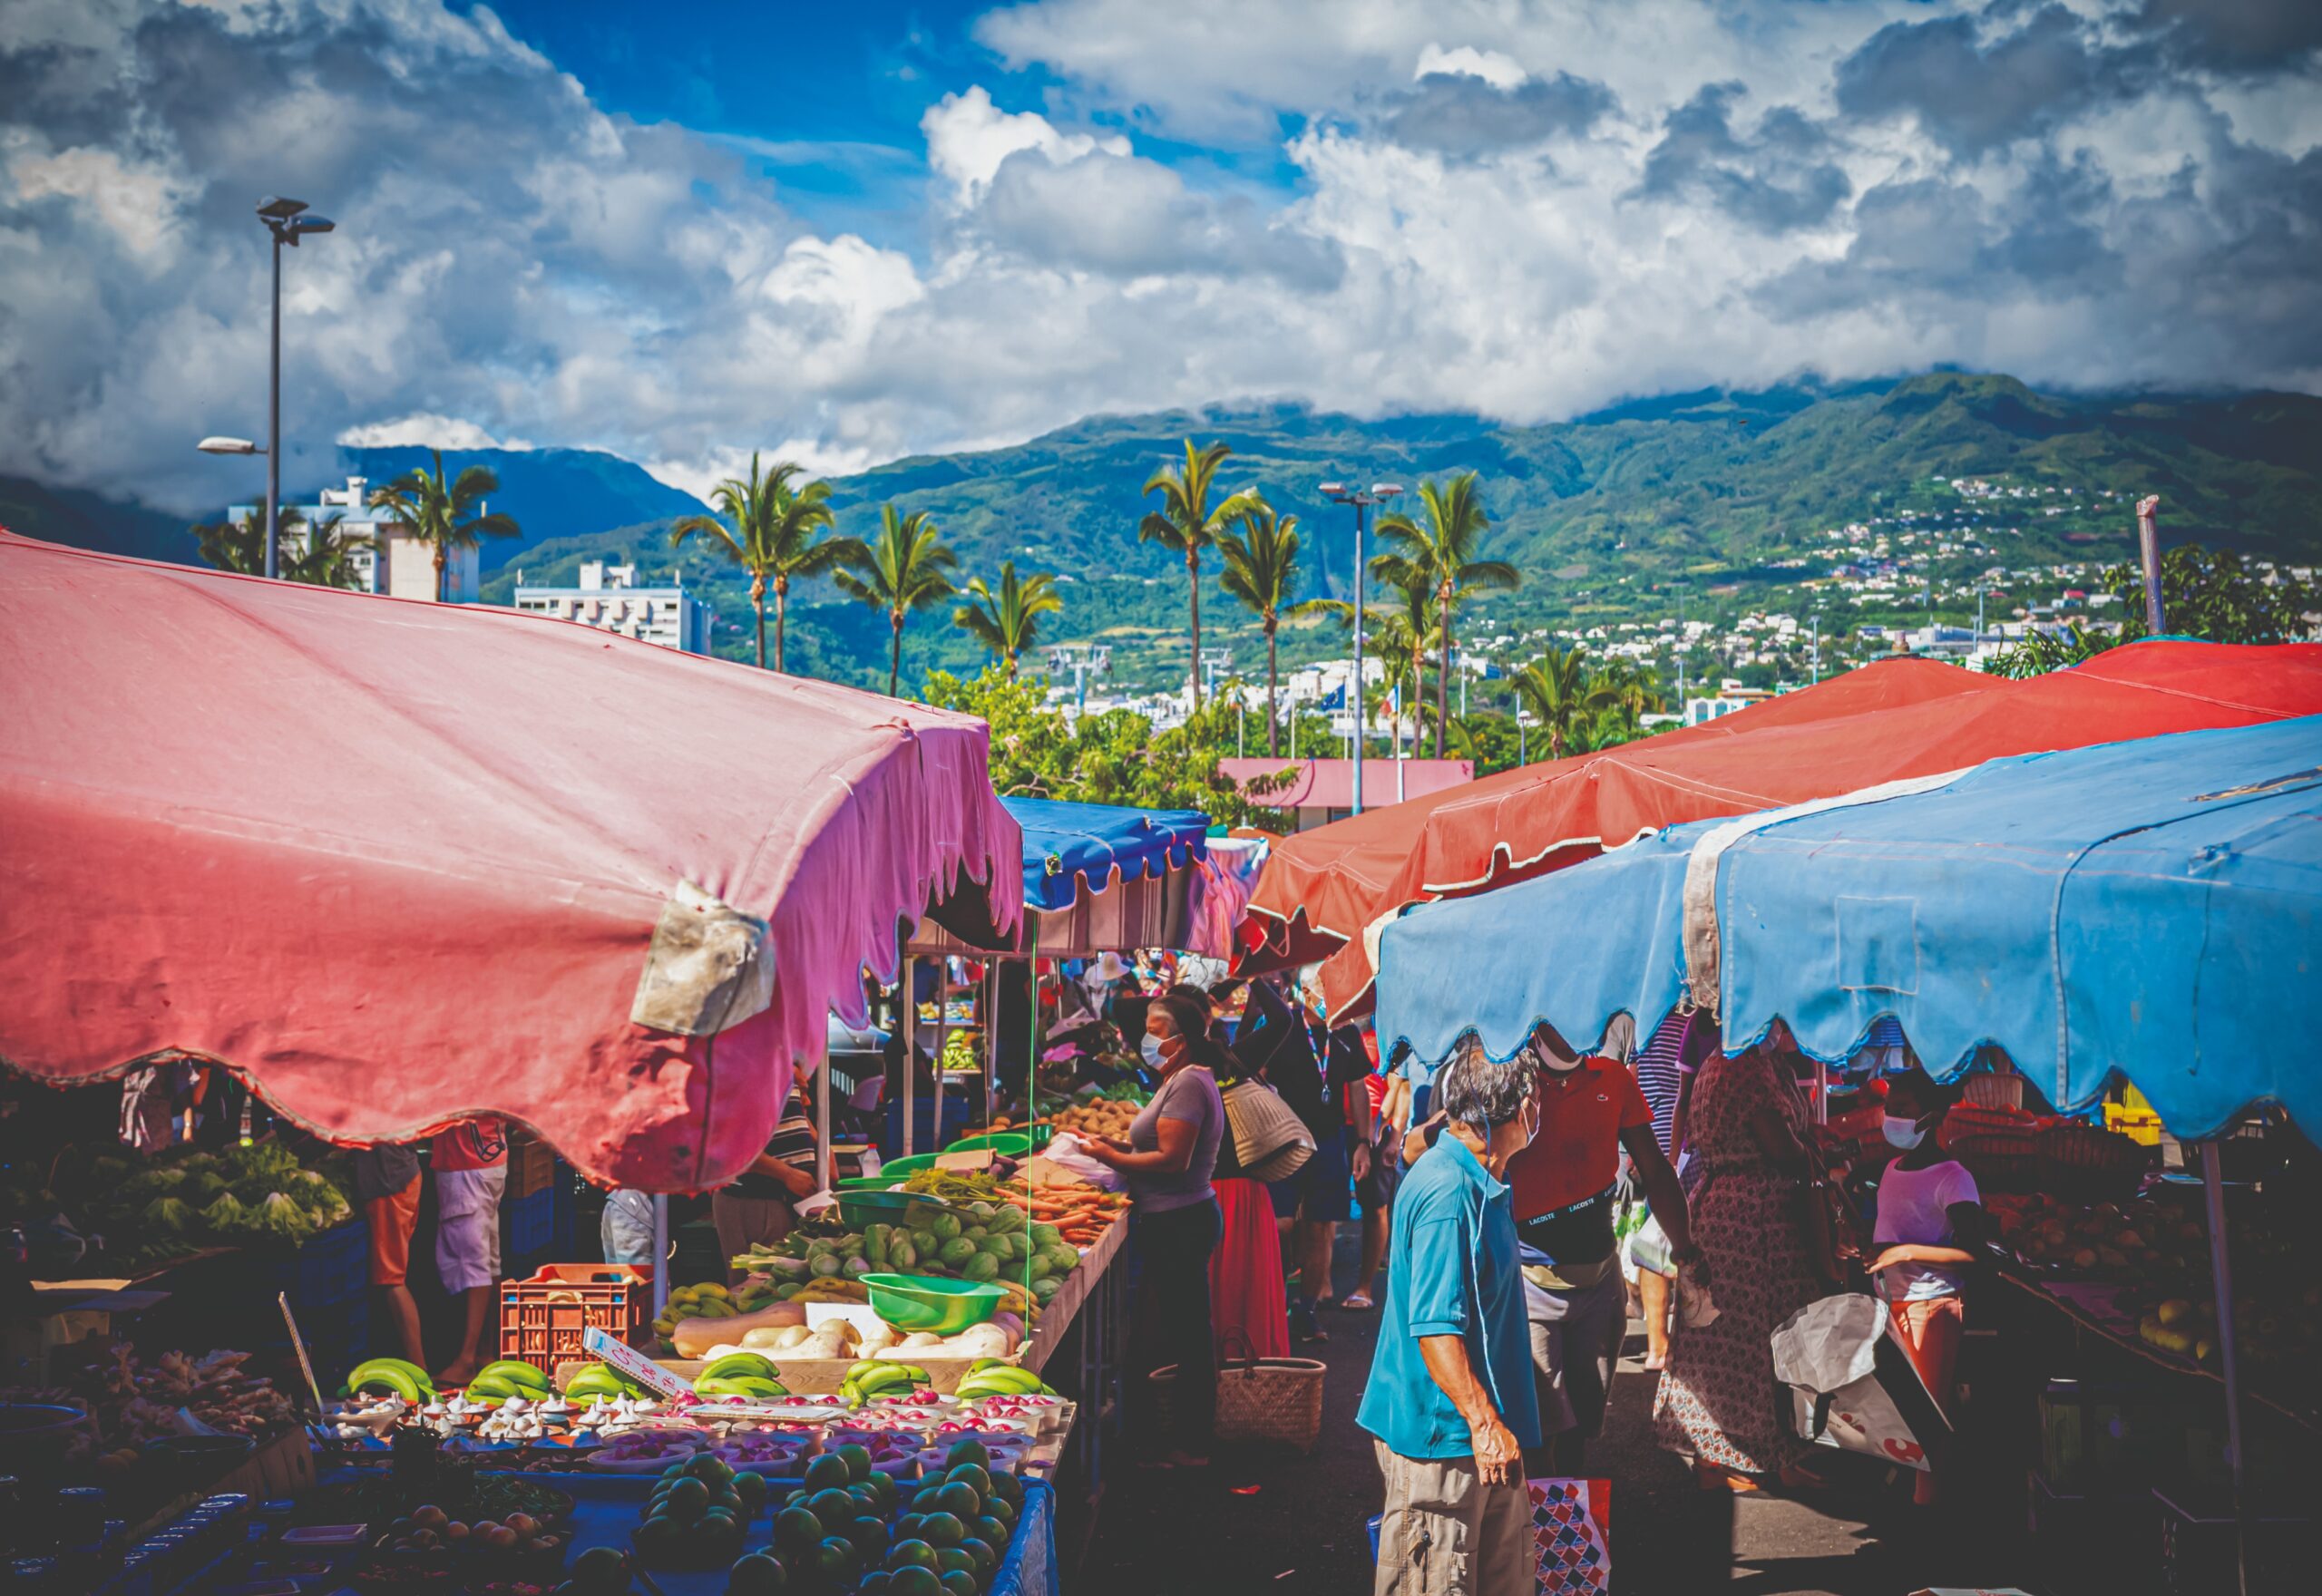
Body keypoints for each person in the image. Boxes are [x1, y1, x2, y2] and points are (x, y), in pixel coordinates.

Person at [1361, 1036, 1542, 1596]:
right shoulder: (1446, 1191)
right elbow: (1435, 1329)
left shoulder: (1475, 1176)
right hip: (1447, 1438)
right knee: (1438, 1581)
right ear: (1521, 1109)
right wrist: (1484, 1424)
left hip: (1480, 1434)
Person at [1653, 1019, 1832, 1491]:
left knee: (1735, 1341)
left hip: (1730, 1211)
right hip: (1751, 1221)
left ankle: (1763, 1457)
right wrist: (1811, 1159)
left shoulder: (1736, 1061)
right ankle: (1724, 1461)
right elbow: (1781, 1148)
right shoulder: (1744, 1067)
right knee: (1755, 1343)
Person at [1079, 988, 1226, 1467]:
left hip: (1180, 1221)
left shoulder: (1188, 1083)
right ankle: (1172, 1436)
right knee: (1178, 1331)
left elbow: (1172, 1159)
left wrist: (1110, 1156)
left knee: (1188, 1336)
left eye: (1156, 1031)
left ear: (1180, 1040)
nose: (1146, 1038)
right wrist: (1115, 1143)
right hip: (1174, 1218)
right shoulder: (1178, 1078)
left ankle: (1193, 1445)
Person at [1868, 1068, 1986, 1505]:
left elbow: (1975, 1255)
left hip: (1932, 1308)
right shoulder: (1890, 1169)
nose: (1891, 1117)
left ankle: (1928, 1512)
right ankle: (1911, 1503)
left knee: (1927, 1415)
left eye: (1902, 1110)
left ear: (1931, 1117)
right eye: (1888, 1109)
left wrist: (1905, 1253)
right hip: (1892, 1305)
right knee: (1900, 1412)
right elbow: (1886, 1239)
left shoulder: (1954, 1177)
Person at [713, 1083, 820, 1283]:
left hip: (787, 1199)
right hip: (755, 1198)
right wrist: (787, 1174)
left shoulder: (781, 1070)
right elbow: (730, 1146)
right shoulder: (747, 1073)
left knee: (780, 1286)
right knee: (757, 1286)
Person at [431, 1116, 509, 1386]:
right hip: (491, 1158)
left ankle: (466, 1360)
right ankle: (485, 1352)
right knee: (489, 1262)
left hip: (465, 1165)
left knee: (474, 1266)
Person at [353, 1143, 426, 1365]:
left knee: (392, 1279)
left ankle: (419, 1369)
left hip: (390, 1184)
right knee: (392, 1277)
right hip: (402, 1176)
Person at [1352, 1065, 1410, 1309]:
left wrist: (1380, 1128)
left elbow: (1401, 1086)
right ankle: (1324, 1286)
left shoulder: (1385, 1033)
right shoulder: (1344, 1034)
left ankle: (1366, 1287)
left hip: (1377, 1132)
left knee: (1378, 1209)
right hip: (1349, 1128)